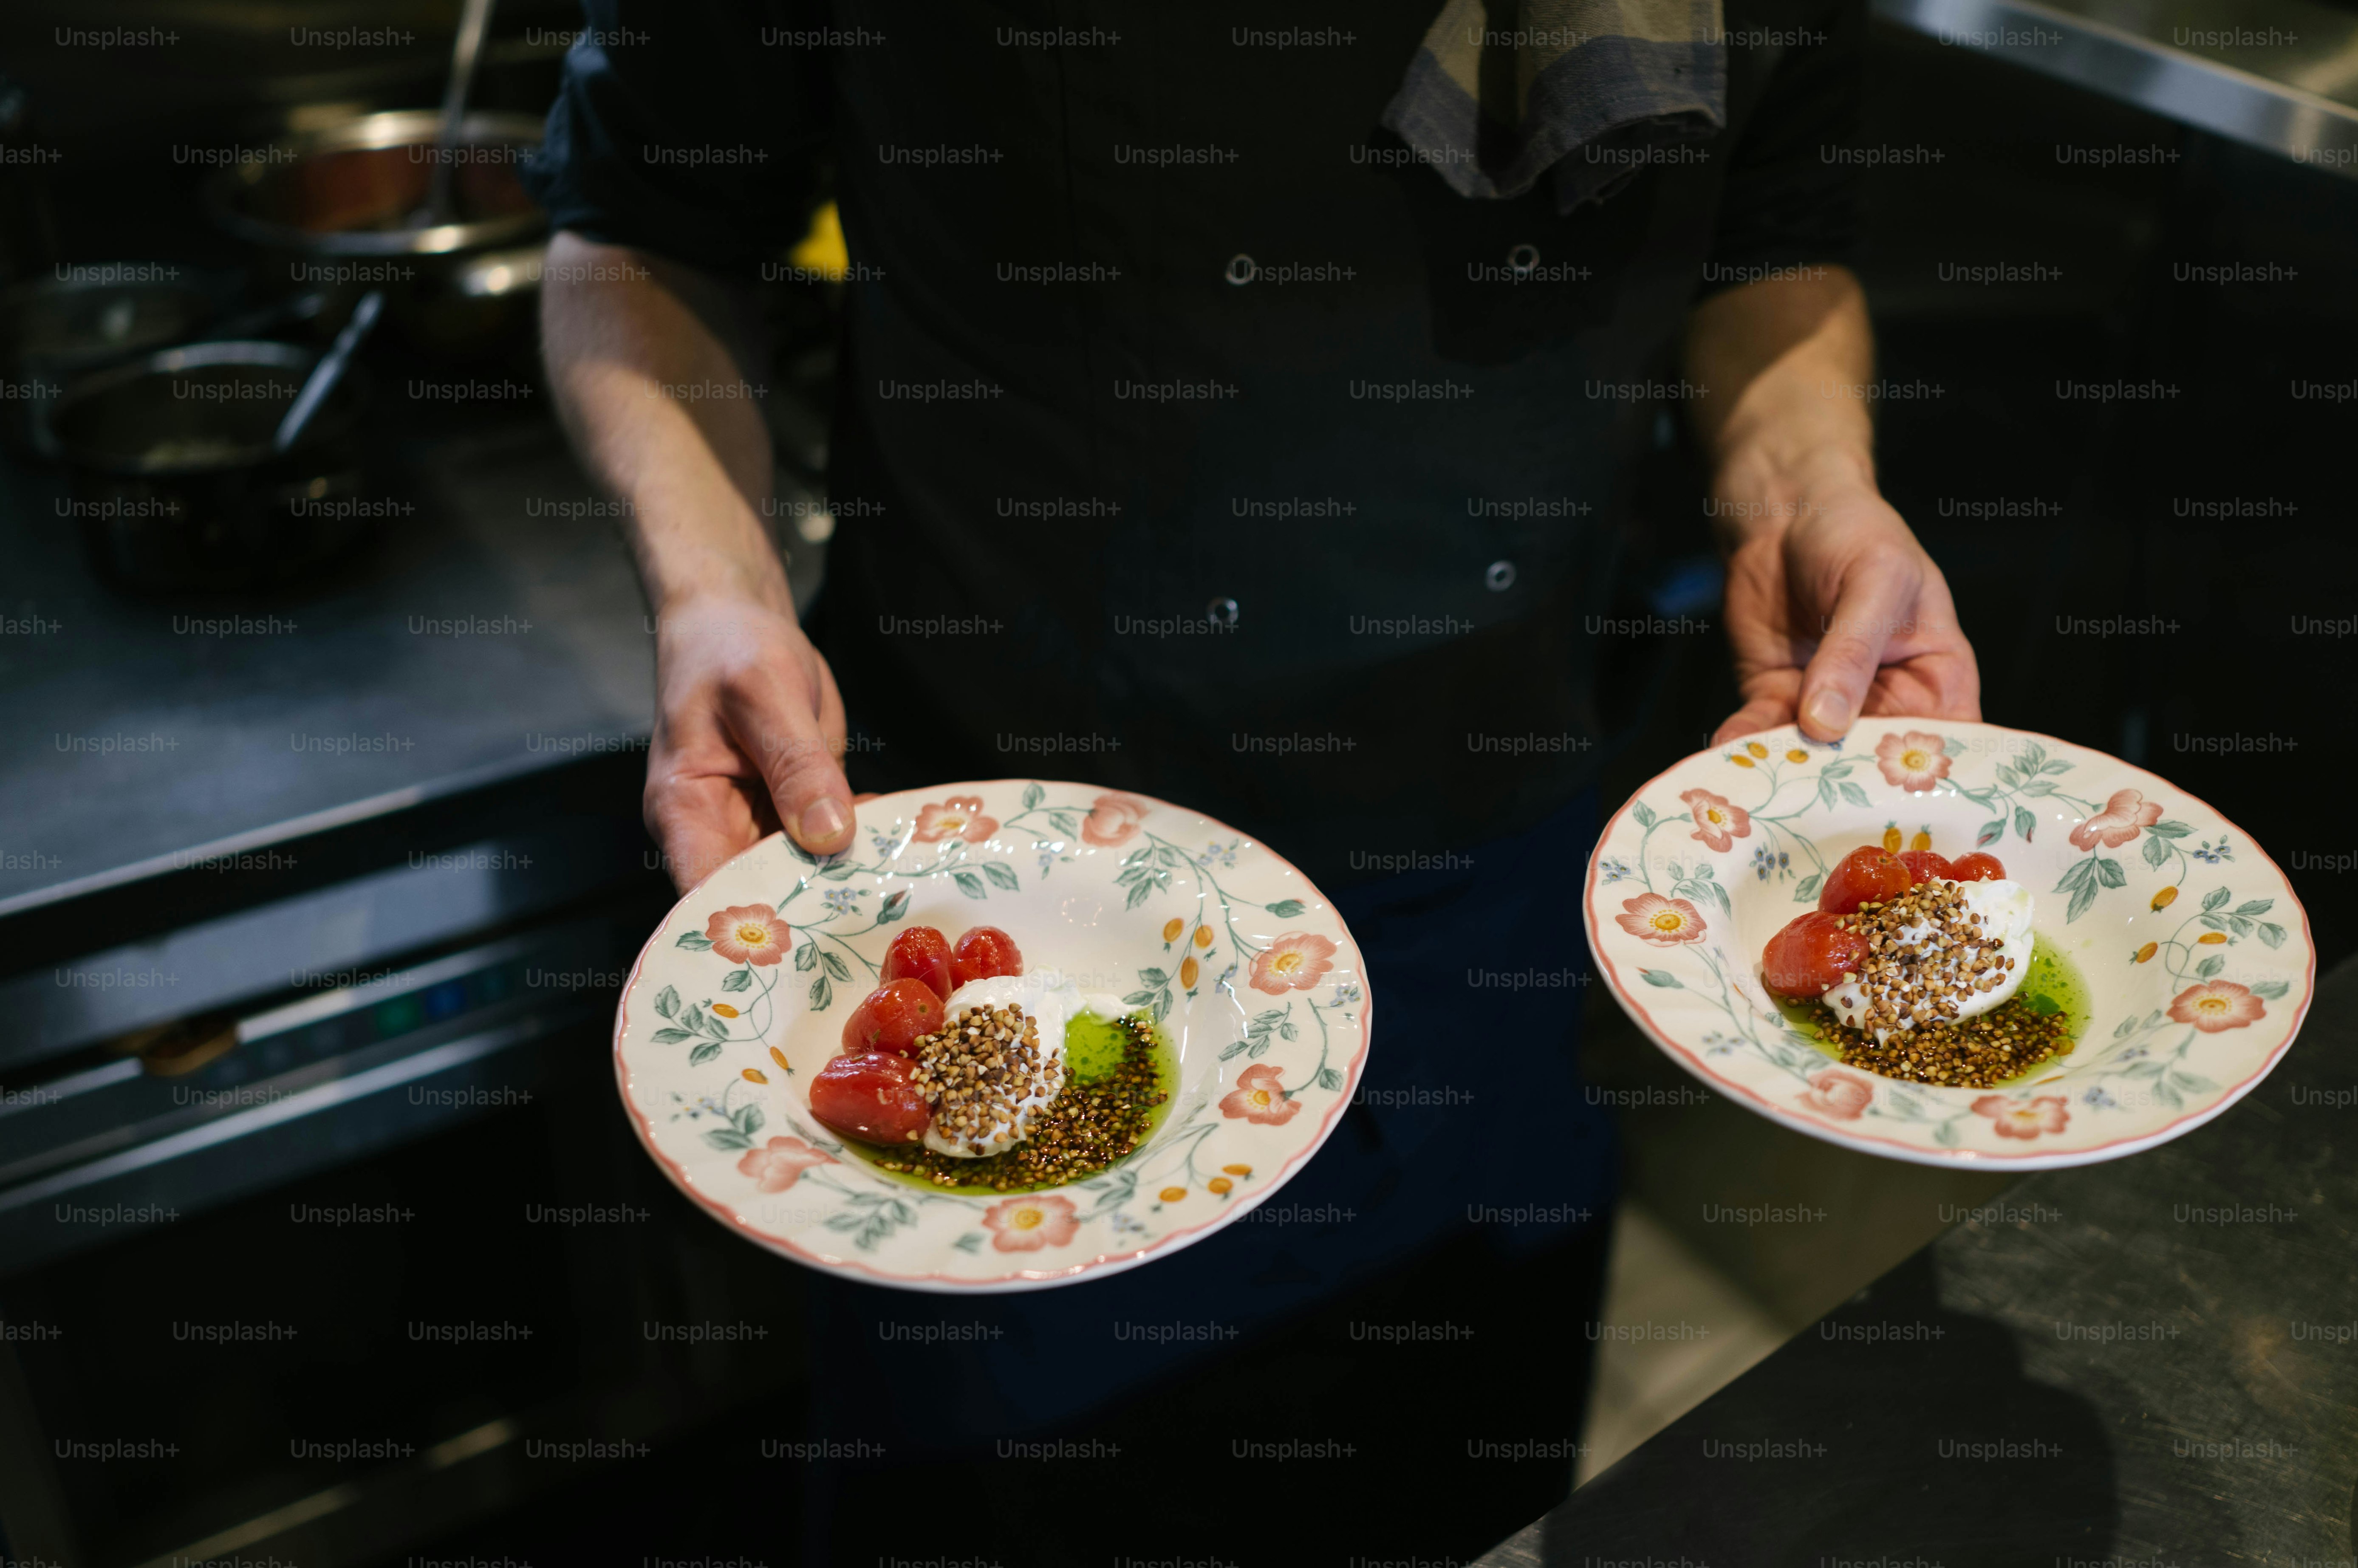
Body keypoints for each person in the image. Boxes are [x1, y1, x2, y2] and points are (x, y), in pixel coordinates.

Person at [526, 0, 1979, 1558]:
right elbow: (638, 230)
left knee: (1447, 1484)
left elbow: (1770, 233)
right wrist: (714, 586)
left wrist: (1809, 485)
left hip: (1497, 874)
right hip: (1019, 886)